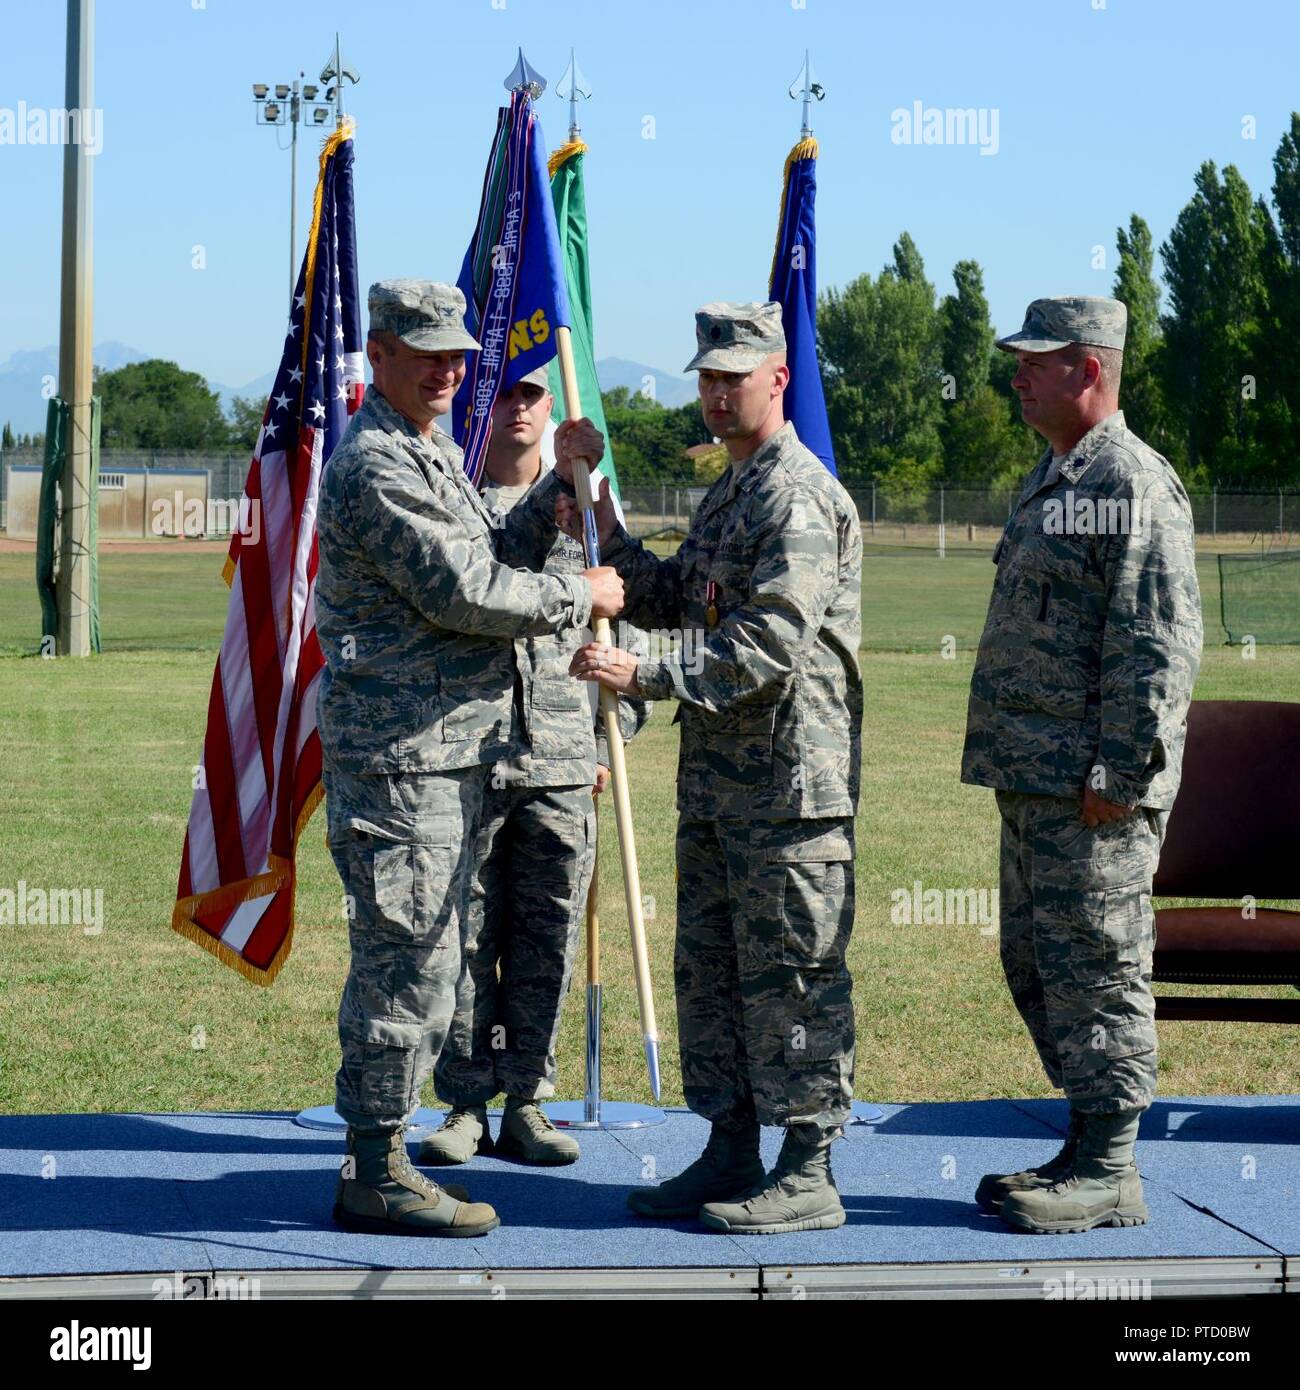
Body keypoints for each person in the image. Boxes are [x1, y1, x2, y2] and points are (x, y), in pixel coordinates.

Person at [315, 280, 623, 1236]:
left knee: (437, 958)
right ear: (379, 353)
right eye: (426, 353)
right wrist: (584, 594)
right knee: (406, 963)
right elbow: (464, 589)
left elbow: (489, 543)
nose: (450, 369)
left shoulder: (430, 450)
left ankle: (391, 1154)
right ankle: (375, 1167)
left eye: (458, 353)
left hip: (448, 759)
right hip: (403, 767)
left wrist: (547, 502)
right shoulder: (376, 465)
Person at [559, 302, 863, 1234]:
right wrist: (602, 523)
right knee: (717, 973)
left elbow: (767, 641)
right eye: (708, 377)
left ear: (779, 378)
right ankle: (731, 1147)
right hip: (722, 788)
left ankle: (807, 1166)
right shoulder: (732, 491)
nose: (719, 392)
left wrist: (640, 669)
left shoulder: (793, 495)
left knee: (795, 972)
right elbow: (679, 598)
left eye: (738, 376)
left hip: (789, 790)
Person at [962, 296, 1202, 1234]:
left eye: (1038, 360)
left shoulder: (1132, 481)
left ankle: (1110, 1168)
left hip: (1093, 790)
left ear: (1090, 369)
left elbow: (1158, 641)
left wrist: (1122, 772)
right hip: (1034, 778)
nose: (1018, 373)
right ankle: (1084, 1146)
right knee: (1042, 963)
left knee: (1100, 966)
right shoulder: (1051, 475)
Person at [418, 366, 650, 1168]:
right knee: (466, 938)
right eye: (505, 392)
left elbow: (633, 626)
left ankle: (528, 1100)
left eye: (532, 394)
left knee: (546, 938)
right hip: (470, 756)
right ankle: (462, 1102)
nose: (517, 406)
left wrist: (611, 738)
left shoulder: (590, 511)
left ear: (556, 406)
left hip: (561, 762)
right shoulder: (454, 500)